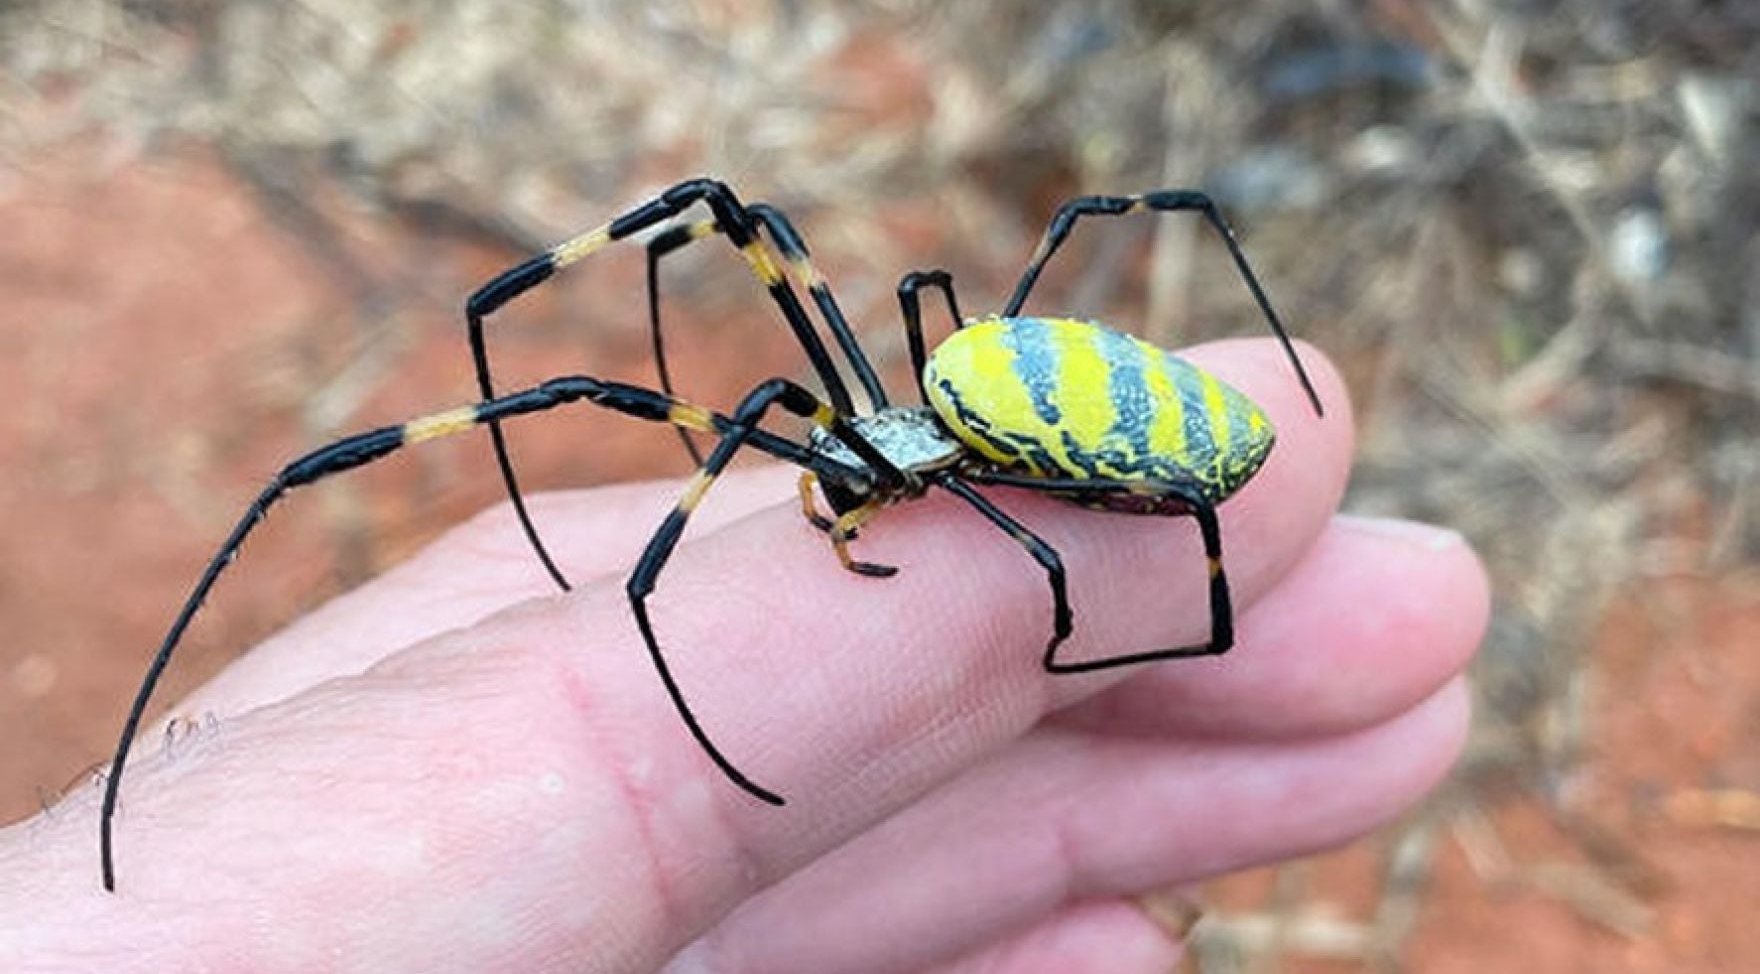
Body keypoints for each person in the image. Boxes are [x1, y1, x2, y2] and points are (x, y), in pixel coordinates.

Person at [0, 341, 1486, 972]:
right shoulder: (875, 442)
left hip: (1112, 448)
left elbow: (1077, 574)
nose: (830, 471)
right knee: (655, 391)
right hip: (1027, 420)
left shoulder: (989, 503)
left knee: (1045, 564)